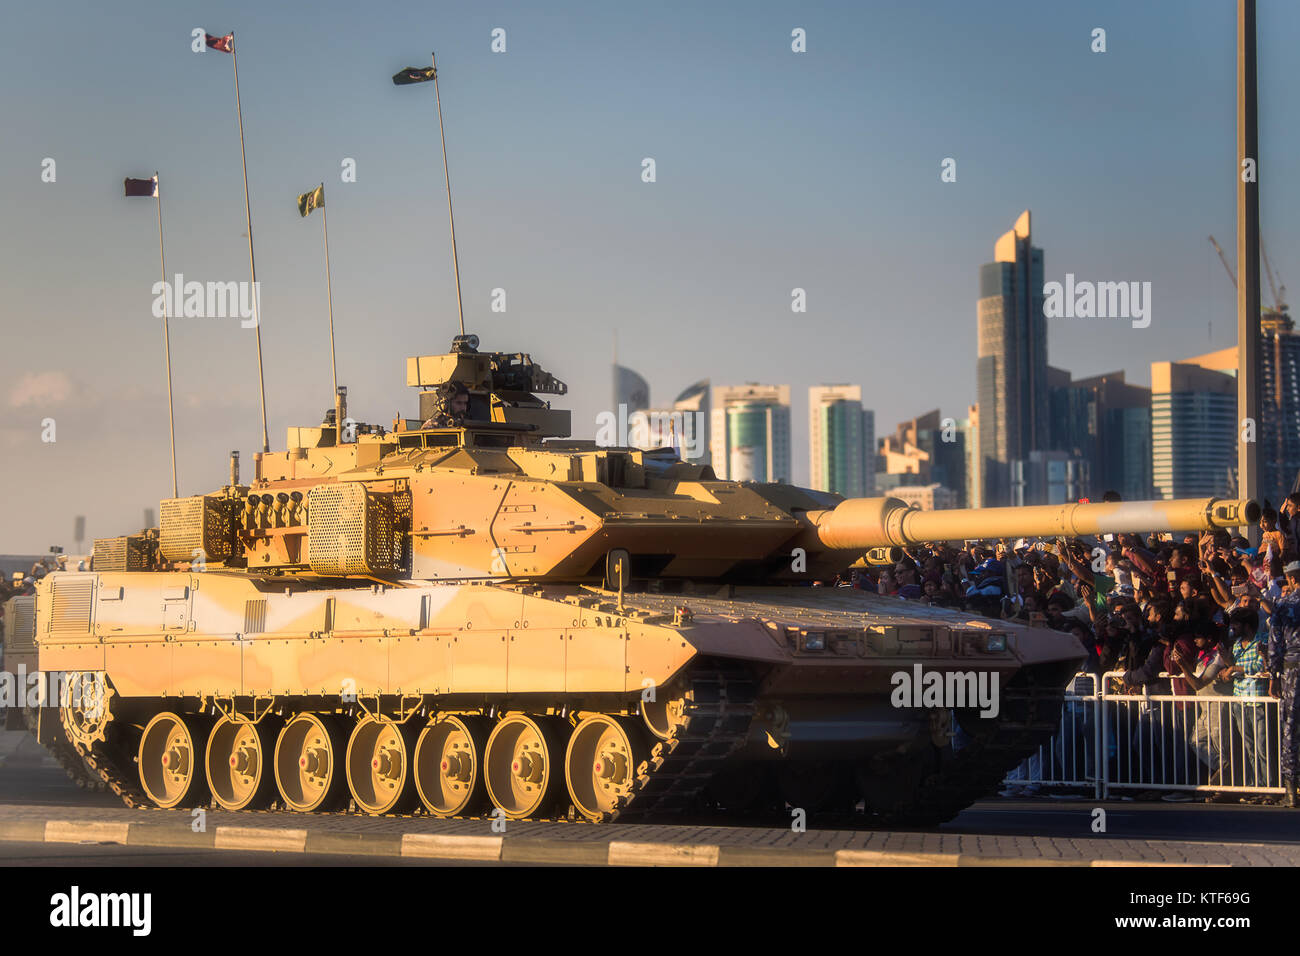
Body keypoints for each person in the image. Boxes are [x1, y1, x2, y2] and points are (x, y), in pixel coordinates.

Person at [1219, 607, 1270, 790]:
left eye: (1236, 624)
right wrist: (1227, 662)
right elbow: (1232, 668)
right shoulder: (1236, 645)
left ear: (1247, 625)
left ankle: (1269, 787)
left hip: (1257, 700)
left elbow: (1259, 666)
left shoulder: (1262, 641)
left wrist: (1233, 669)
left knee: (1262, 747)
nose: (1233, 628)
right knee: (1249, 747)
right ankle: (1255, 785)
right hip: (1239, 699)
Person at [1268, 559, 1300, 806]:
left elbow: (1275, 644)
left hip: (1292, 672)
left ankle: (1291, 793)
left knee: (1290, 729)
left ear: (1290, 579)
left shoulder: (1284, 604)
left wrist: (1273, 676)